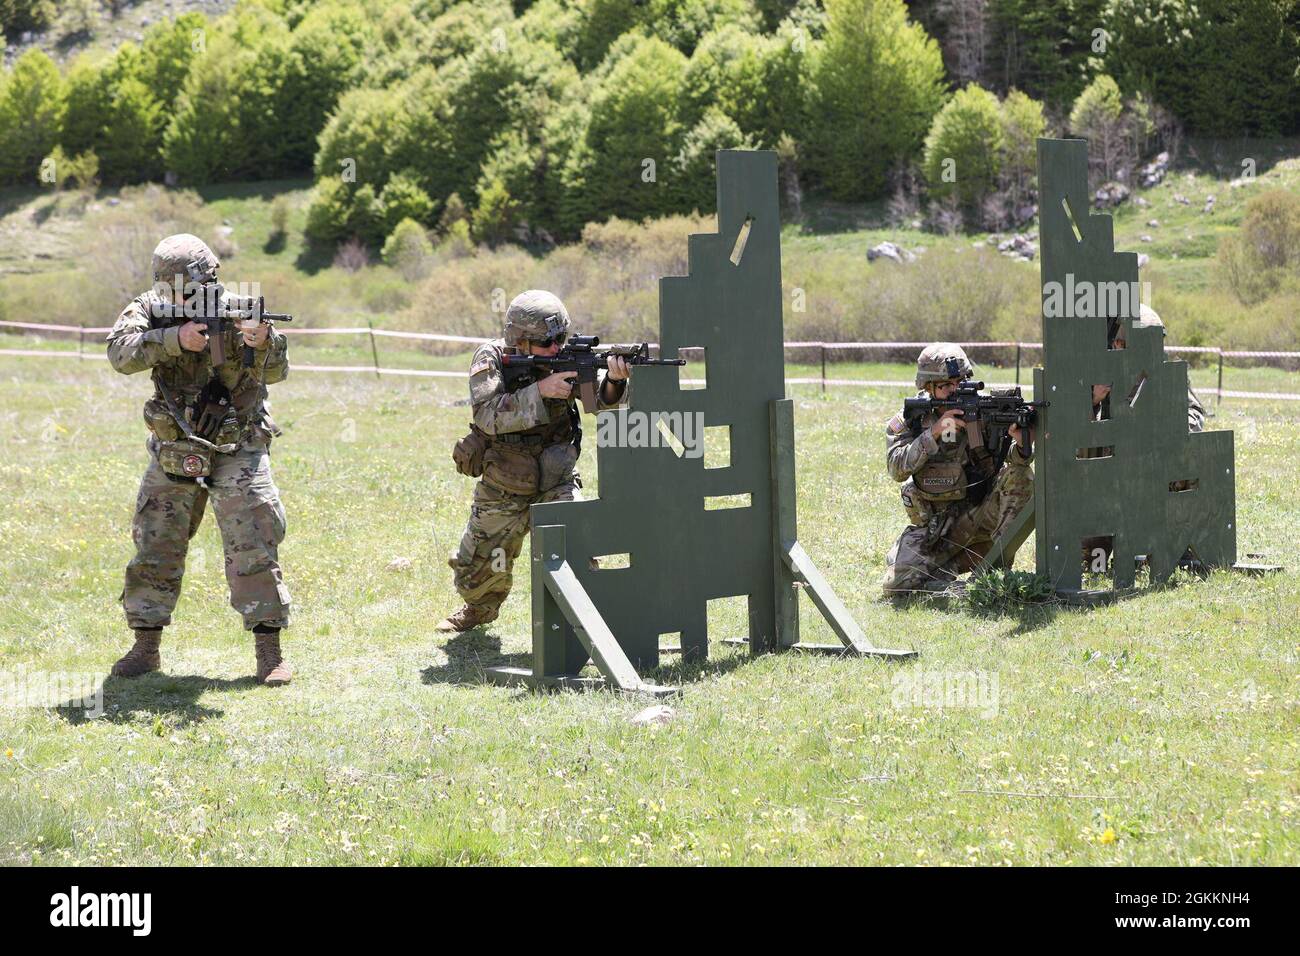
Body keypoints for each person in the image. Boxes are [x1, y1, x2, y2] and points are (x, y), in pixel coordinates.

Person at [106, 234, 293, 684]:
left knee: (253, 539)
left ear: (209, 279)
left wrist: (264, 341)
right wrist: (174, 339)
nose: (182, 299)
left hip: (238, 443)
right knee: (156, 539)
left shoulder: (241, 307)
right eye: (173, 292)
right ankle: (146, 647)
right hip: (176, 444)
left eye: (188, 290)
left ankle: (269, 653)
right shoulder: (150, 308)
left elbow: (277, 373)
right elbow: (119, 352)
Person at [437, 290, 631, 632]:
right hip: (505, 480)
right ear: (521, 342)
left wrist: (614, 380)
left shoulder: (565, 360)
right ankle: (478, 610)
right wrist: (540, 392)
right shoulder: (491, 358)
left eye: (561, 338)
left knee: (580, 551)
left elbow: (598, 401)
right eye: (547, 342)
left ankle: (593, 625)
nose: (557, 348)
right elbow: (486, 415)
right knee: (477, 569)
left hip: (556, 478)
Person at [881, 343, 1034, 597]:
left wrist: (1022, 444)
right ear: (927, 388)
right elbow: (897, 468)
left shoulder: (982, 412)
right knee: (896, 586)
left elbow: (1012, 461)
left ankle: (994, 569)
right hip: (936, 528)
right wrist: (934, 433)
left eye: (960, 382)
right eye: (946, 385)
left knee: (1020, 476)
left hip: (981, 515)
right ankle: (949, 568)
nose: (955, 390)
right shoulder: (911, 419)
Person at [1081, 304, 1206, 572]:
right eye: (1137, 344)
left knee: (1186, 462)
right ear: (1116, 343)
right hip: (1113, 470)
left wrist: (1168, 434)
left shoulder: (1165, 373)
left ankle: (1173, 546)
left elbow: (1193, 416)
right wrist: (1092, 402)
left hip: (1154, 466)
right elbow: (1075, 436)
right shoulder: (1099, 373)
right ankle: (1096, 555)